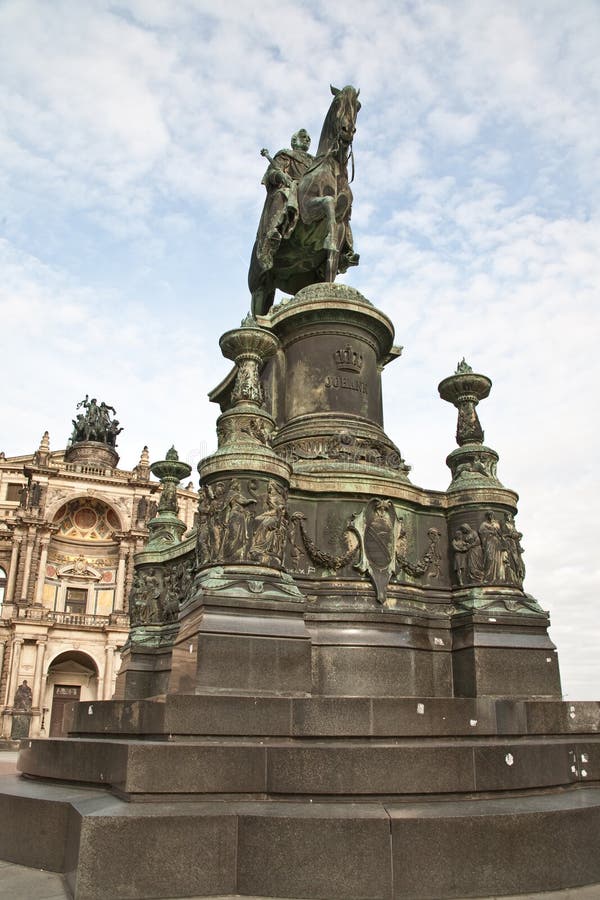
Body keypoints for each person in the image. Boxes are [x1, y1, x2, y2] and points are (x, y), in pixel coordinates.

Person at [254, 129, 313, 272]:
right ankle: (273, 234)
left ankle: (342, 248)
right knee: (282, 194)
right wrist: (280, 177)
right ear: (294, 141)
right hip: (291, 188)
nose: (307, 140)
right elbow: (271, 173)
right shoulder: (285, 155)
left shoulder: (315, 160)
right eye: (303, 137)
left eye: (309, 138)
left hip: (311, 193)